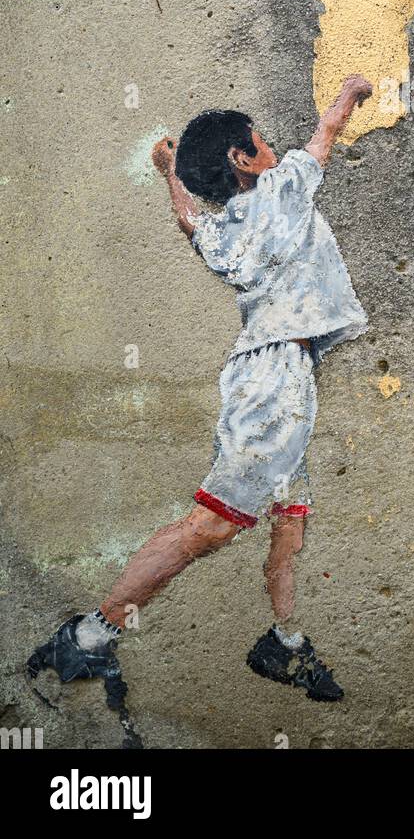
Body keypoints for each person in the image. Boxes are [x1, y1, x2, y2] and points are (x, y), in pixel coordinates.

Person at [27, 76, 372, 711]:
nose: (272, 151)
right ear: (245, 160)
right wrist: (350, 94)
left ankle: (283, 641)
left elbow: (189, 222)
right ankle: (89, 633)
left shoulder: (224, 231)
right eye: (262, 144)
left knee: (289, 518)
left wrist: (167, 171)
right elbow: (324, 137)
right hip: (274, 383)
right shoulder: (281, 190)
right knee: (211, 526)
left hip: (276, 373)